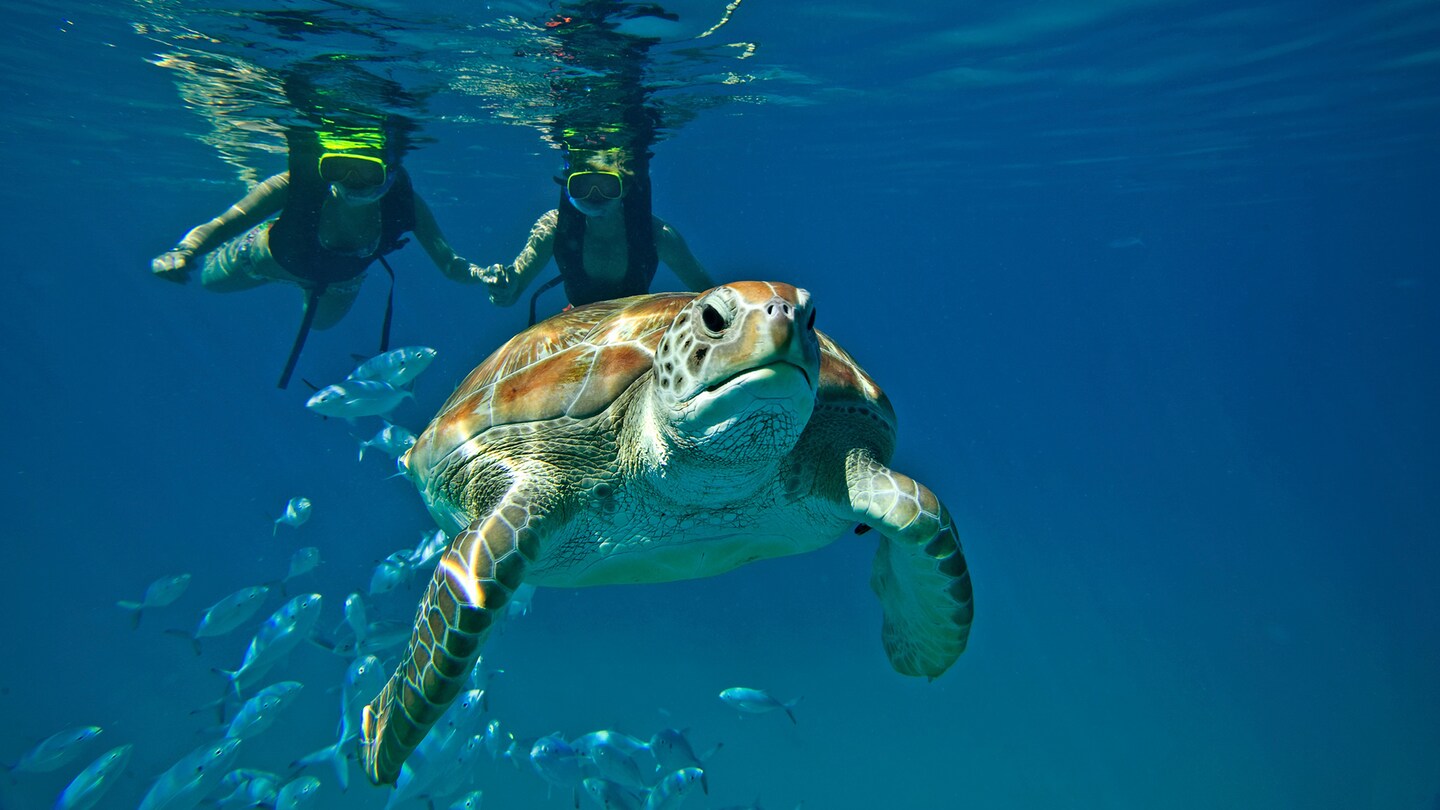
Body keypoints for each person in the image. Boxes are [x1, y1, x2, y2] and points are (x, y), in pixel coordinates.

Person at [151, 124, 485, 386]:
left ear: (389, 171)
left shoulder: (405, 203)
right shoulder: (296, 186)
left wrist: (483, 276)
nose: (351, 181)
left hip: (337, 282)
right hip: (262, 260)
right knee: (210, 282)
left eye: (366, 171)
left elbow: (449, 263)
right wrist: (184, 251)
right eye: (338, 168)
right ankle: (272, 245)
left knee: (323, 324)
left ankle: (305, 285)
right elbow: (226, 223)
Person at [479, 145, 713, 320]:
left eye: (606, 186)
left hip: (632, 334)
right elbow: (510, 295)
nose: (593, 195)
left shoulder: (658, 235)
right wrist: (502, 288)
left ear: (626, 188)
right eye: (582, 186)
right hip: (578, 333)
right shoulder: (553, 228)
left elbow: (712, 298)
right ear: (568, 187)